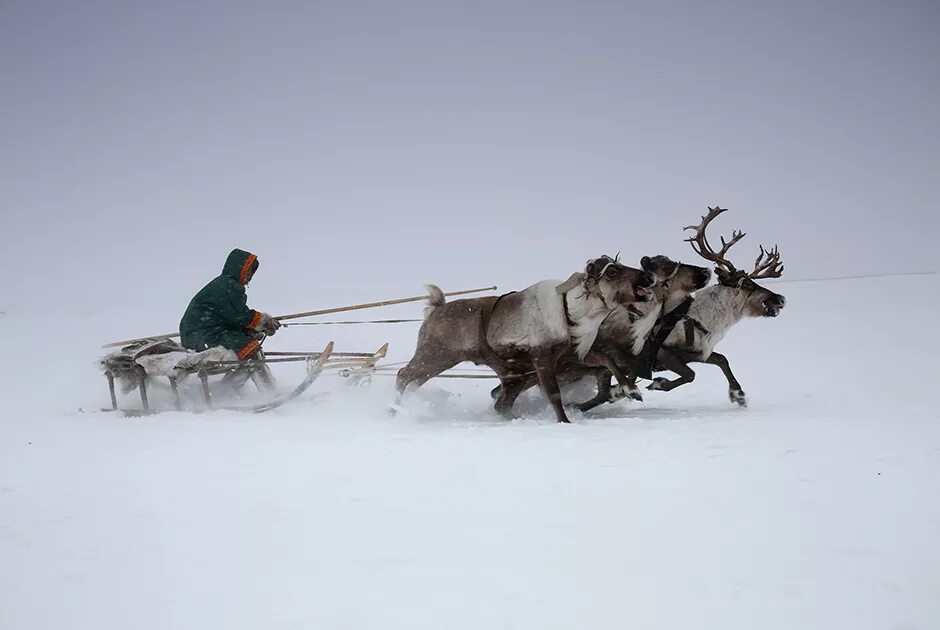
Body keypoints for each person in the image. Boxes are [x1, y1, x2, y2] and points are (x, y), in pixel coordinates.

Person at [179, 248, 281, 361]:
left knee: (244, 341)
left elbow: (230, 318)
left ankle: (242, 376)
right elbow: (239, 315)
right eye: (249, 272)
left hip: (198, 333)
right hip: (201, 335)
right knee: (248, 347)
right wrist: (265, 323)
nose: (250, 277)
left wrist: (249, 329)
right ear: (241, 269)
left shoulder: (225, 283)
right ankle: (264, 377)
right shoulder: (229, 286)